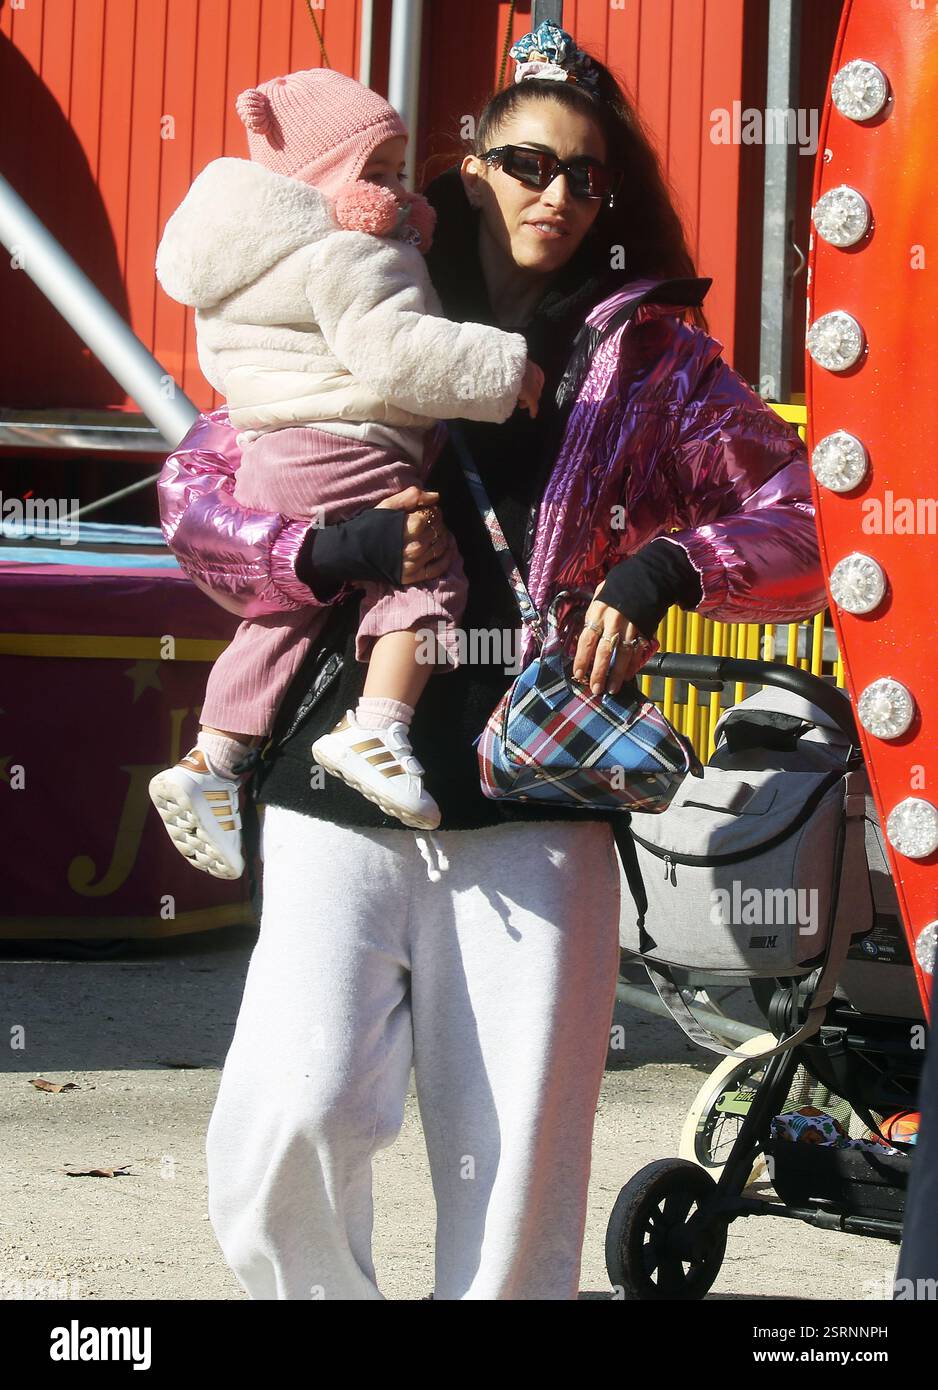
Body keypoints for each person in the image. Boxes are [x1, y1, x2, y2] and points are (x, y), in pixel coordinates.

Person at [158, 20, 826, 1299]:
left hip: (539, 796)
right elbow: (195, 498)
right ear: (468, 167)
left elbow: (813, 518)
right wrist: (315, 546)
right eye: (526, 164)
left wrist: (673, 568)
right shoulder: (344, 275)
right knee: (278, 1130)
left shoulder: (653, 360)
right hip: (339, 768)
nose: (557, 196)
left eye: (586, 177)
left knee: (518, 1183)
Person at [148, 68, 546, 870]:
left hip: (269, 455)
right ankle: (377, 727)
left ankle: (213, 759)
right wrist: (507, 370)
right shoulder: (354, 250)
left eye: (400, 171)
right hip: (347, 443)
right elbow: (397, 353)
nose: (397, 191)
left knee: (283, 617)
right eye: (379, 171)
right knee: (426, 573)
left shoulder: (249, 257)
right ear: (327, 179)